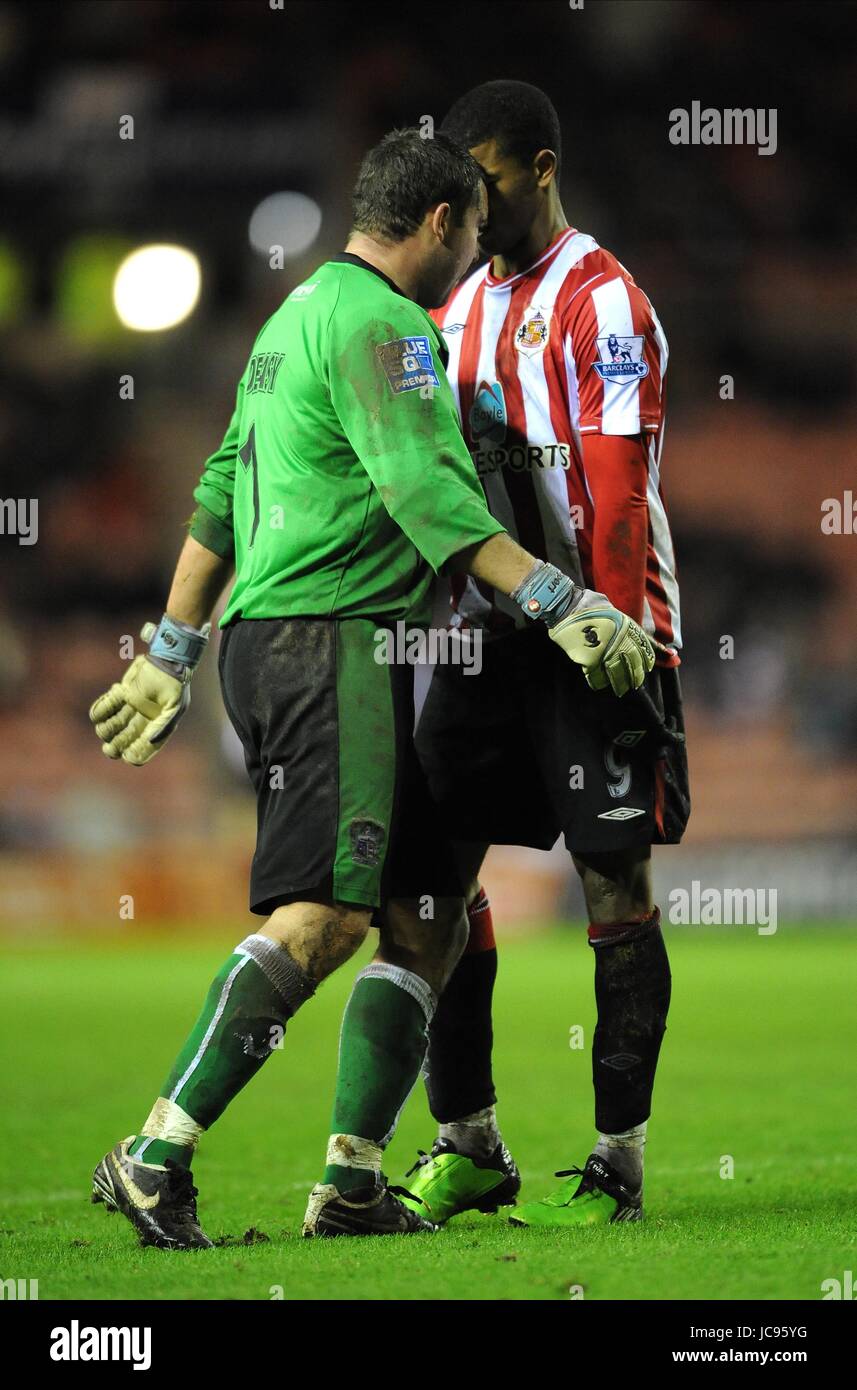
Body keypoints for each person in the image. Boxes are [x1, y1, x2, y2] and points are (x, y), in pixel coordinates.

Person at [87, 127, 655, 1246]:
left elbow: (214, 493)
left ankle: (350, 1183)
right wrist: (560, 600)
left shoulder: (290, 321)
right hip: (331, 642)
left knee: (419, 915)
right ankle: (156, 1150)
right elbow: (429, 500)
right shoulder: (391, 329)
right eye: (472, 234)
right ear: (440, 222)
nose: (474, 257)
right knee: (325, 917)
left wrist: (170, 645)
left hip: (275, 640)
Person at [401, 83, 690, 1228]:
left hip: (602, 634)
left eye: (486, 178)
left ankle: (615, 1157)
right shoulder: (457, 303)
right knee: (430, 874)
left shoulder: (601, 300)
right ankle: (467, 1141)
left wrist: (610, 622)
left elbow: (612, 481)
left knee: (613, 879)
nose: (468, 201)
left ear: (540, 163)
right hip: (488, 634)